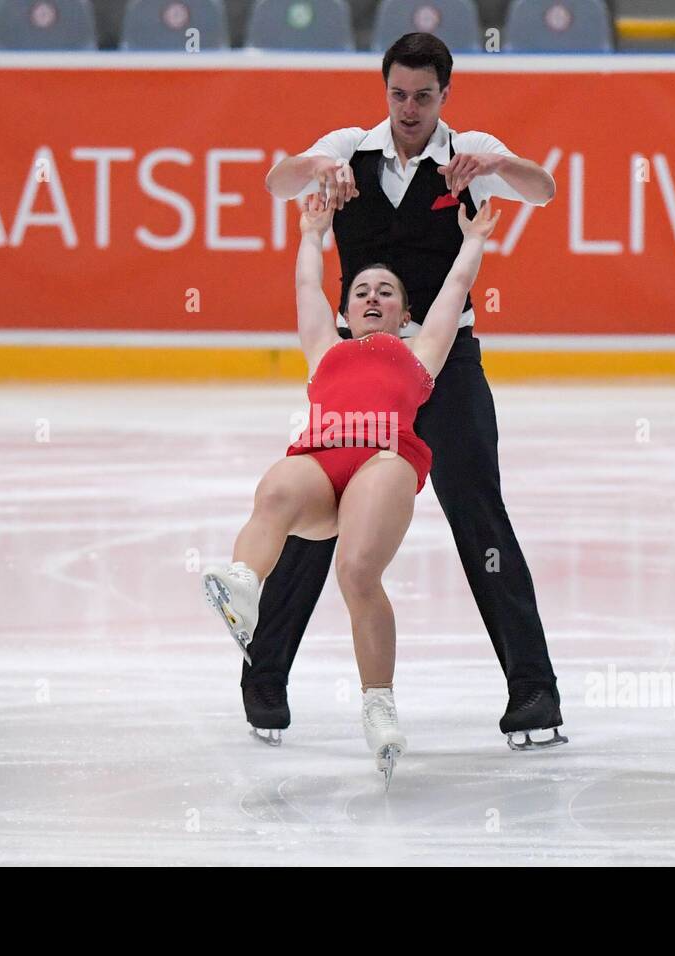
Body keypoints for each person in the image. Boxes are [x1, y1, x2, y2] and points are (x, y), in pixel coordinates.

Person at [250, 32, 565, 751]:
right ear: (385, 90)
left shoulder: (467, 152)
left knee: (479, 512)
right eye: (398, 94)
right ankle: (264, 679)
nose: (410, 109)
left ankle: (534, 692)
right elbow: (277, 182)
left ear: (444, 95)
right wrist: (315, 163)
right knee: (318, 511)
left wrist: (500, 162)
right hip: (359, 370)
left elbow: (543, 190)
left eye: (424, 96)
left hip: (443, 361)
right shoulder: (348, 146)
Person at [203, 191, 503, 787]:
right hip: (321, 463)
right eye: (362, 291)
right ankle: (243, 584)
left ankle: (378, 705)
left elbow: (452, 297)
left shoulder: (420, 353)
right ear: (347, 309)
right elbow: (306, 291)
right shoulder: (326, 350)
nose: (372, 297)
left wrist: (472, 242)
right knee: (276, 489)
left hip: (383, 464)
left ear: (402, 313)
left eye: (385, 293)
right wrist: (312, 234)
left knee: (356, 572)